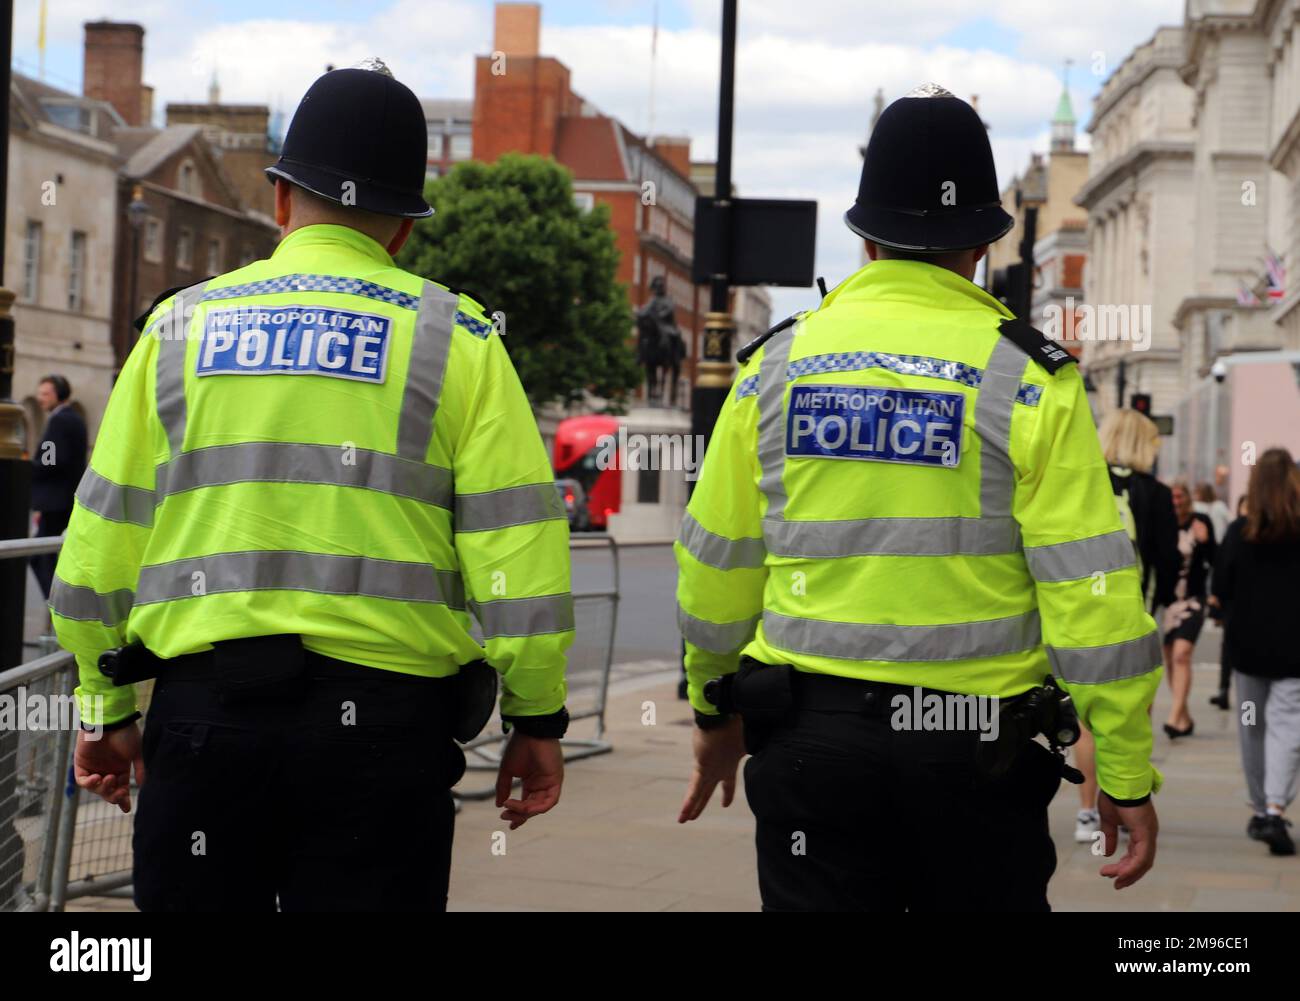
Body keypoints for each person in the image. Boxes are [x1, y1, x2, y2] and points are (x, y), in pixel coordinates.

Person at [49, 64, 573, 912]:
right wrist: (537, 720)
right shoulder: (460, 339)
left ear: (283, 200)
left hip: (205, 723)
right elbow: (521, 558)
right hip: (385, 742)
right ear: (402, 229)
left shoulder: (176, 329)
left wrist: (104, 705)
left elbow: (99, 541)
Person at [674, 84, 1162, 912]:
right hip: (975, 754)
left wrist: (714, 705)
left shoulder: (776, 368)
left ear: (863, 234)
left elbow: (716, 565)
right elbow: (1092, 593)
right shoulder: (1029, 376)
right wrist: (1121, 766)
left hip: (809, 743)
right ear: (980, 241)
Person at [1071, 408, 1179, 842]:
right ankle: (1125, 797)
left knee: (1086, 718)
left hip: (1083, 613)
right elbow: (1168, 559)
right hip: (1137, 615)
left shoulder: (1085, 483)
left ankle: (1085, 812)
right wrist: (1165, 600)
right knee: (1133, 712)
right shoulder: (1155, 493)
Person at [1212, 449, 1300, 856]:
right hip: (1293, 654)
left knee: (1251, 727)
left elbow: (1221, 588)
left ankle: (1261, 804)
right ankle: (1275, 808)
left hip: (1247, 653)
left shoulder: (1238, 532)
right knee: (1287, 728)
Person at [1162, 481, 1216, 738]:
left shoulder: (1201, 520)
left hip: (1195, 599)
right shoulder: (1165, 523)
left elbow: (1215, 558)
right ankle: (1183, 717)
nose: (1176, 500)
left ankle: (1173, 717)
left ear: (1188, 497)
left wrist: (1204, 540)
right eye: (1172, 496)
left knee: (1182, 654)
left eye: (1180, 495)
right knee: (1171, 658)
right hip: (1169, 602)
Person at [29, 374, 87, 600]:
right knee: (47, 555)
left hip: (54, 501)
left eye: (45, 394)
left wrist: (31, 468)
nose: (40, 398)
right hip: (63, 498)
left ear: (59, 395)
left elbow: (52, 459)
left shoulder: (60, 420)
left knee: (39, 557)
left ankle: (56, 604)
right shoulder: (72, 418)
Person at [1208, 493, 1248, 710]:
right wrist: (1217, 597)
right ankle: (1224, 689)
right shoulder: (1235, 530)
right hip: (1234, 602)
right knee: (1229, 647)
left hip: (1241, 602)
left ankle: (1228, 691)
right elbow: (1222, 564)